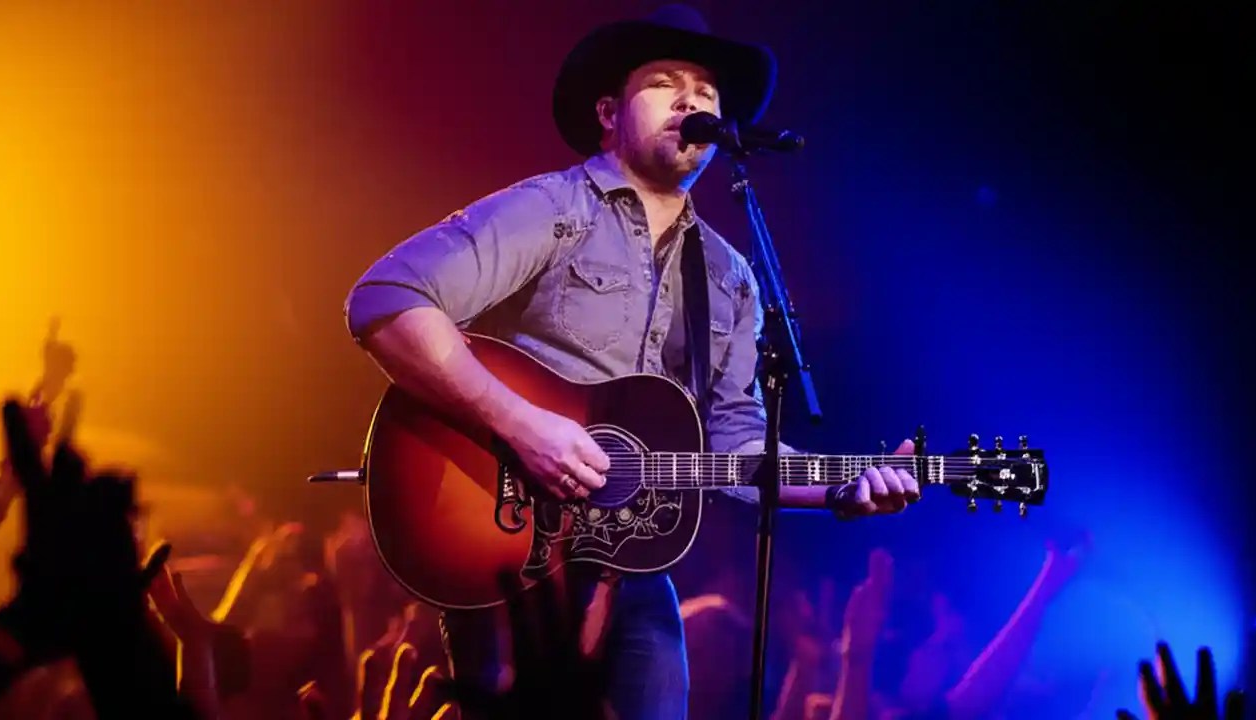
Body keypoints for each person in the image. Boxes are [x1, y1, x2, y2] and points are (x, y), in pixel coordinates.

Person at [342, 5, 920, 718]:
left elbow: (736, 446)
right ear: (609, 112)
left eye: (707, 93)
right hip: (508, 547)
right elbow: (386, 299)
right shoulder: (555, 210)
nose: (693, 101)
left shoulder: (731, 274)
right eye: (666, 83)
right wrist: (525, 426)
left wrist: (841, 486)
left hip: (632, 558)